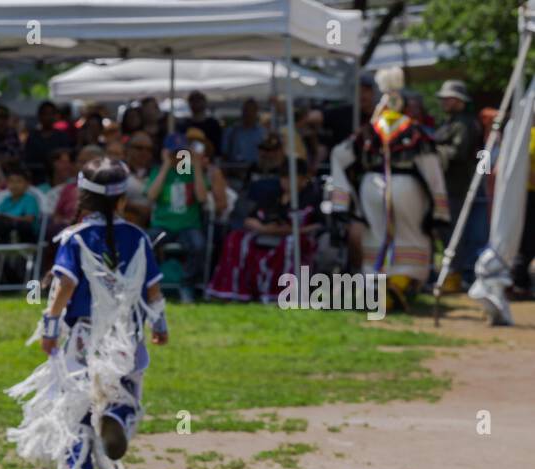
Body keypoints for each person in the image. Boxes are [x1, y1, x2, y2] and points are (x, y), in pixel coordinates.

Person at [7, 157, 166, 469]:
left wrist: (50, 326)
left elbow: (64, 286)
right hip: (127, 334)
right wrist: (160, 324)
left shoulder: (75, 239)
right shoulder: (138, 238)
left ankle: (78, 466)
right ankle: (115, 417)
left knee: (75, 396)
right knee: (124, 390)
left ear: (83, 198)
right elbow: (153, 289)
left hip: (83, 334)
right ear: (122, 200)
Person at [330, 68, 450, 309]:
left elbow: (338, 155)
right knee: (412, 237)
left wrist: (341, 201)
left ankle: (376, 291)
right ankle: (398, 284)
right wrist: (439, 210)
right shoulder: (415, 132)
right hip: (407, 187)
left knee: (375, 236)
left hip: (371, 188)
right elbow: (431, 169)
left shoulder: (367, 131)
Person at [208, 159, 322, 302]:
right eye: (283, 176)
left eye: (291, 177)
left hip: (295, 237)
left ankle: (280, 293)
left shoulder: (313, 196)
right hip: (265, 233)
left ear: (304, 178)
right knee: (235, 239)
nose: (286, 181)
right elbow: (250, 219)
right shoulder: (273, 195)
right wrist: (261, 228)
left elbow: (319, 225)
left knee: (289, 244)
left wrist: (295, 230)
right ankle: (235, 290)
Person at [434, 80, 486, 291]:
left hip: (457, 187)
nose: (444, 101)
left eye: (449, 98)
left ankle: (458, 276)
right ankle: (453, 274)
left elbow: (458, 154)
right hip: (447, 186)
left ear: (460, 101)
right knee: (447, 233)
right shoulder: (450, 123)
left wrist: (432, 153)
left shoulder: (464, 124)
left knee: (455, 233)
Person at [147, 131, 211, 299]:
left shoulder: (191, 171)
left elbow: (203, 197)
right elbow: (151, 196)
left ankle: (187, 283)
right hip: (163, 225)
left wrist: (196, 165)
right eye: (174, 153)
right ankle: (153, 284)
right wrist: (166, 165)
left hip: (188, 226)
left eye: (182, 153)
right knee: (146, 243)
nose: (178, 157)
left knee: (198, 245)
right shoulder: (158, 171)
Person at [0, 163, 42, 243]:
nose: (14, 185)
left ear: (27, 184)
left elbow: (29, 219)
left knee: (23, 226)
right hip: (6, 230)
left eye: (19, 181)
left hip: (24, 233)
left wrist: (11, 219)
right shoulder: (5, 200)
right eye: (11, 181)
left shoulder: (30, 199)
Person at [222, 98, 265, 168]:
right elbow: (224, 154)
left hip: (256, 170)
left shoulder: (262, 132)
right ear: (242, 111)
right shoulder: (231, 131)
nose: (248, 113)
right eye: (246, 110)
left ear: (256, 112)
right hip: (235, 171)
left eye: (252, 110)